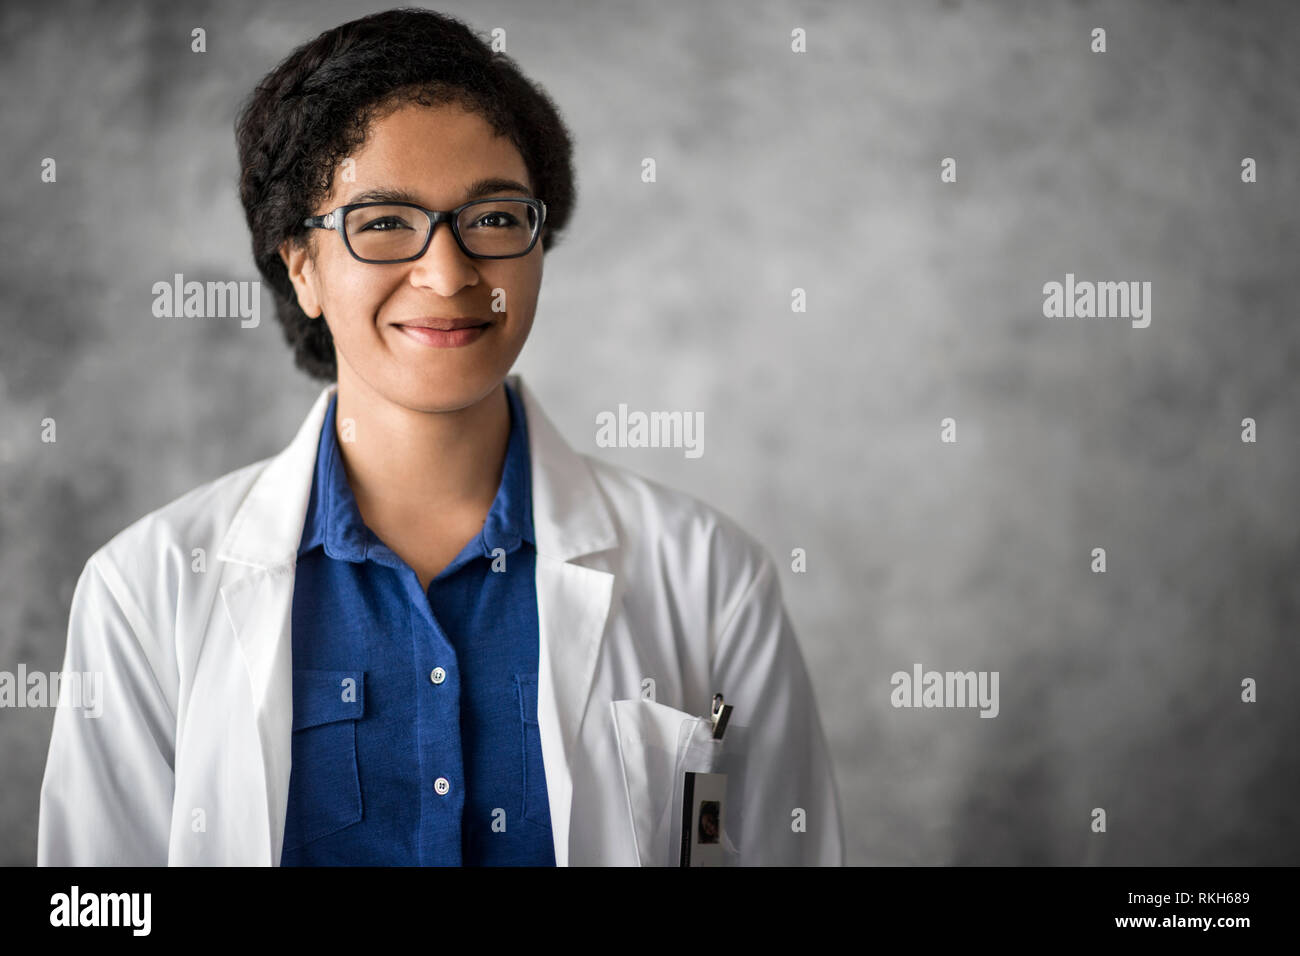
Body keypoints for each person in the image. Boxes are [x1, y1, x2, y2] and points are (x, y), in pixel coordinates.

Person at [37, 7, 845, 866]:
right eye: (383, 222)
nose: (450, 272)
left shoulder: (712, 579)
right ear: (301, 265)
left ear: (540, 243)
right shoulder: (145, 591)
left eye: (494, 218)